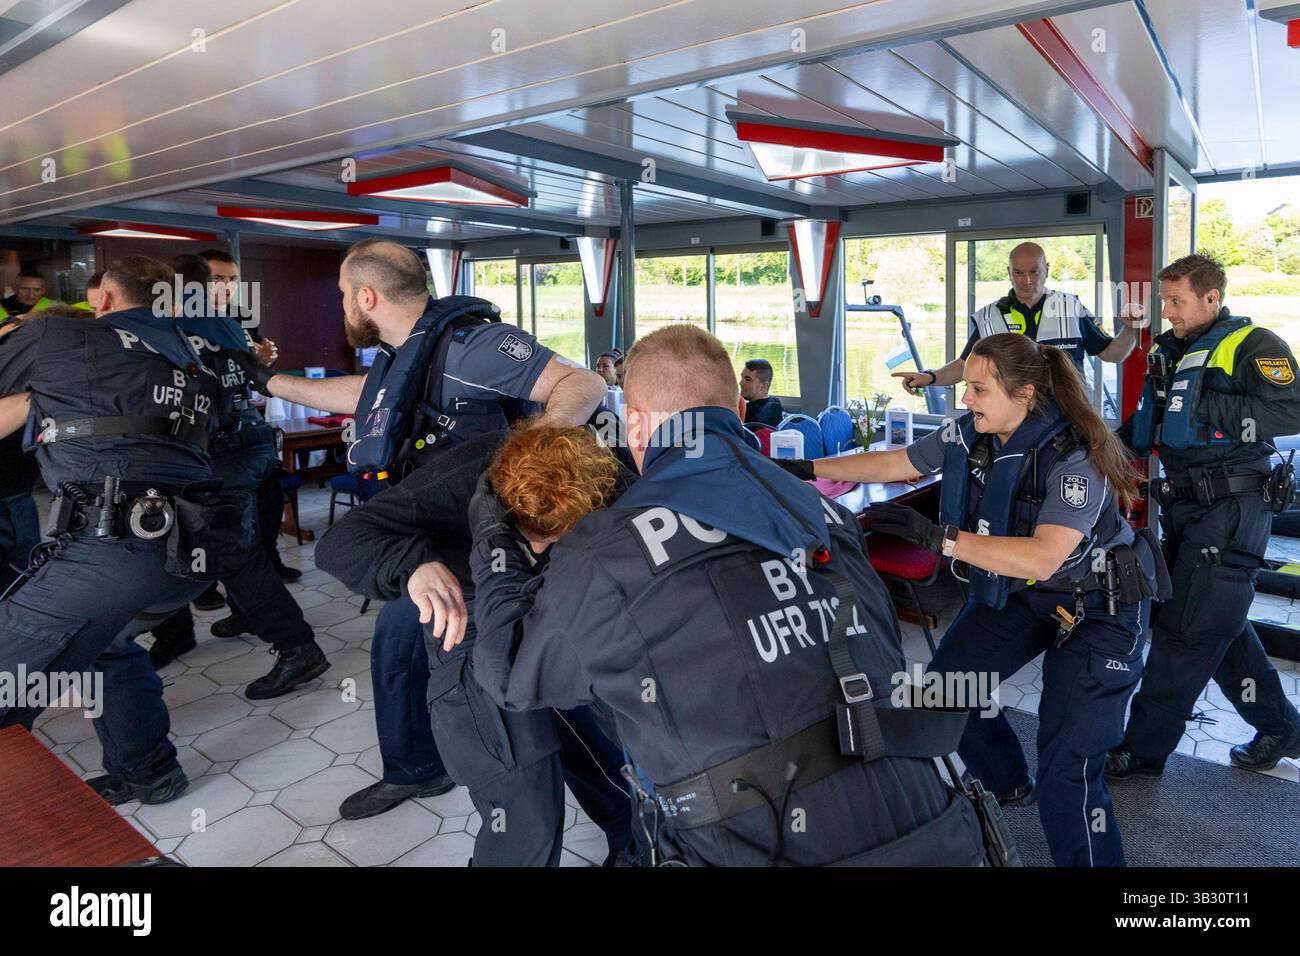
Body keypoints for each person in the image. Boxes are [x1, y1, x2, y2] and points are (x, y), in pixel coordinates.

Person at [467, 324, 985, 867]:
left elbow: (510, 673)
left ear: (635, 425)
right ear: (739, 409)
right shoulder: (829, 516)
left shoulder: (608, 552)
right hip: (936, 827)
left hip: (759, 845)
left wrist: (493, 536)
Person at [239, 239, 619, 822]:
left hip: (497, 544)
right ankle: (416, 767)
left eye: (343, 294)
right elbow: (365, 398)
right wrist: (271, 382)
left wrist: (532, 449)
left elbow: (583, 384)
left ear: (367, 296)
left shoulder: (474, 346)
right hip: (439, 537)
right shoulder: (401, 355)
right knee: (400, 641)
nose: (342, 305)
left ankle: (622, 820)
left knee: (533, 687)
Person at [778, 331, 1161, 866]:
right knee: (944, 692)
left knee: (1068, 770)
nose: (965, 397)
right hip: (1026, 597)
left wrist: (941, 539)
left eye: (978, 389)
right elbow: (898, 462)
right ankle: (1008, 783)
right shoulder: (969, 433)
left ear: (1024, 394)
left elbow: (1041, 557)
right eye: (967, 387)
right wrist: (806, 471)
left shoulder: (1074, 457)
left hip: (1099, 605)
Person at [316, 428, 638, 865]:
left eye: (551, 537)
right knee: (521, 797)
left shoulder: (618, 483)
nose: (536, 547)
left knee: (614, 752)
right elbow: (338, 543)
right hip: (471, 617)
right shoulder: (462, 477)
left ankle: (632, 845)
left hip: (562, 611)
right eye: (528, 534)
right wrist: (414, 563)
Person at [0, 255, 231, 805]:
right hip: (194, 548)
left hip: (113, 547)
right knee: (107, 642)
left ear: (102, 298)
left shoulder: (56, 337)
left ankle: (42, 832)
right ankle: (149, 771)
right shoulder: (195, 359)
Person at [1107, 254, 1300, 778]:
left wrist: (1203, 406)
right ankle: (1281, 726)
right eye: (1164, 301)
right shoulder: (1169, 351)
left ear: (1211, 298)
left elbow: (1290, 410)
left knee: (1185, 633)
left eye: (1177, 301)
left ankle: (1142, 750)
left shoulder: (1254, 345)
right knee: (1216, 622)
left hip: (1233, 509)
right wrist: (1095, 446)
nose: (1167, 311)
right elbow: (1147, 423)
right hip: (1185, 509)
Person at [144, 255, 329, 697]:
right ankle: (234, 617)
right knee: (243, 549)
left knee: (239, 557)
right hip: (252, 444)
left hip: (224, 456)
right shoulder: (228, 325)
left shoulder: (170, 330)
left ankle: (297, 647)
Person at [895, 242, 1139, 393]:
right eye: (1019, 273)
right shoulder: (989, 317)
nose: (1027, 280)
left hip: (1067, 419)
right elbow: (964, 365)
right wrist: (930, 377)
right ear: (1009, 273)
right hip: (1012, 424)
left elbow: (1112, 354)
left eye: (1034, 271)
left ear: (1047, 270)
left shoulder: (1071, 307)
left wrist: (1130, 329)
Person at [0, 306, 84, 594]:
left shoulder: (19, 345)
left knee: (23, 580)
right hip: (9, 497)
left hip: (17, 496)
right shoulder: (27, 361)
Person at [740, 358, 784, 428]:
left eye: (748, 379)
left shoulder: (757, 413)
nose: (741, 383)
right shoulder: (775, 404)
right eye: (742, 378)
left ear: (764, 386)